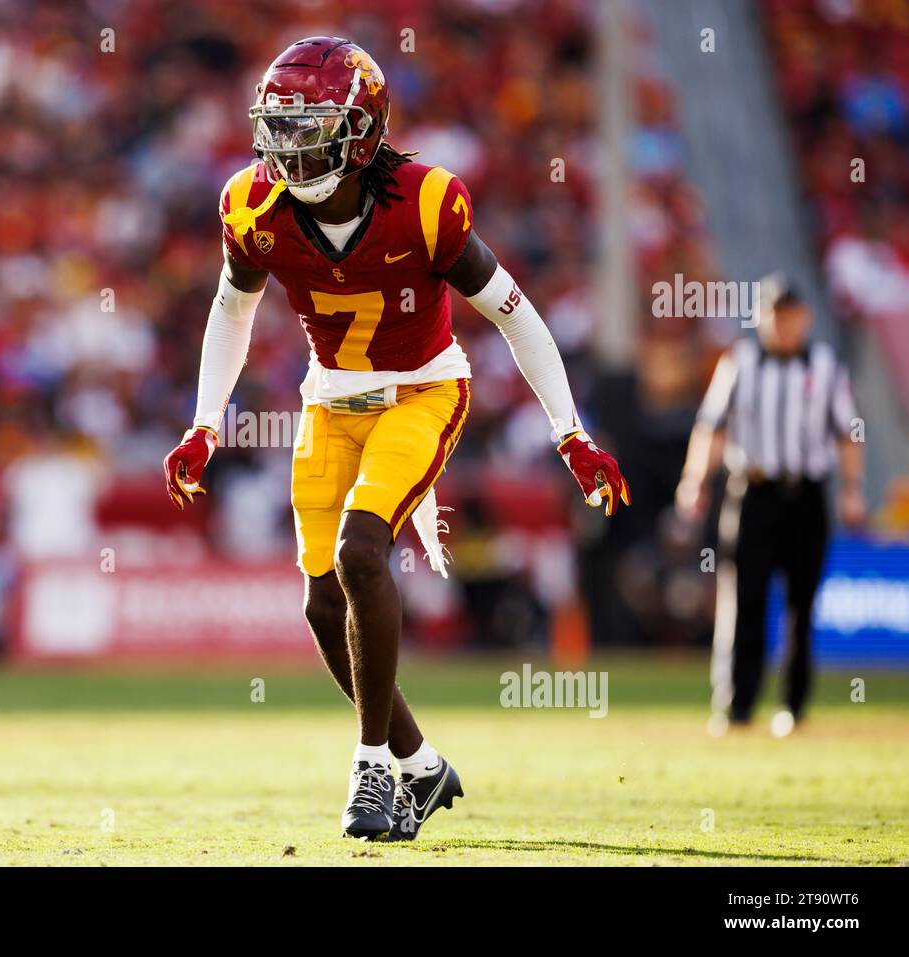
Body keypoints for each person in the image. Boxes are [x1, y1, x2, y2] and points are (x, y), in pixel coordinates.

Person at [163, 38, 628, 840]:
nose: (288, 145)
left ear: (361, 130)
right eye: (280, 125)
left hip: (423, 391)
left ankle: (373, 765)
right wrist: (205, 422)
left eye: (308, 126)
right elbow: (231, 310)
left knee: (361, 551)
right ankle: (419, 761)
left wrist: (570, 432)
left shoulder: (426, 202)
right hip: (328, 401)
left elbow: (513, 314)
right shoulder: (253, 205)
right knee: (320, 603)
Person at [676, 274, 866, 738]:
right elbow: (712, 426)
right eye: (772, 314)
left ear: (805, 317)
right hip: (753, 493)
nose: (781, 324)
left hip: (806, 495)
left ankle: (793, 706)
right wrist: (696, 480)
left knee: (803, 604)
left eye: (788, 314)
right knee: (744, 599)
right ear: (761, 316)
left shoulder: (824, 365)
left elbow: (848, 432)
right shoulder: (740, 361)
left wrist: (851, 488)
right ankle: (737, 706)